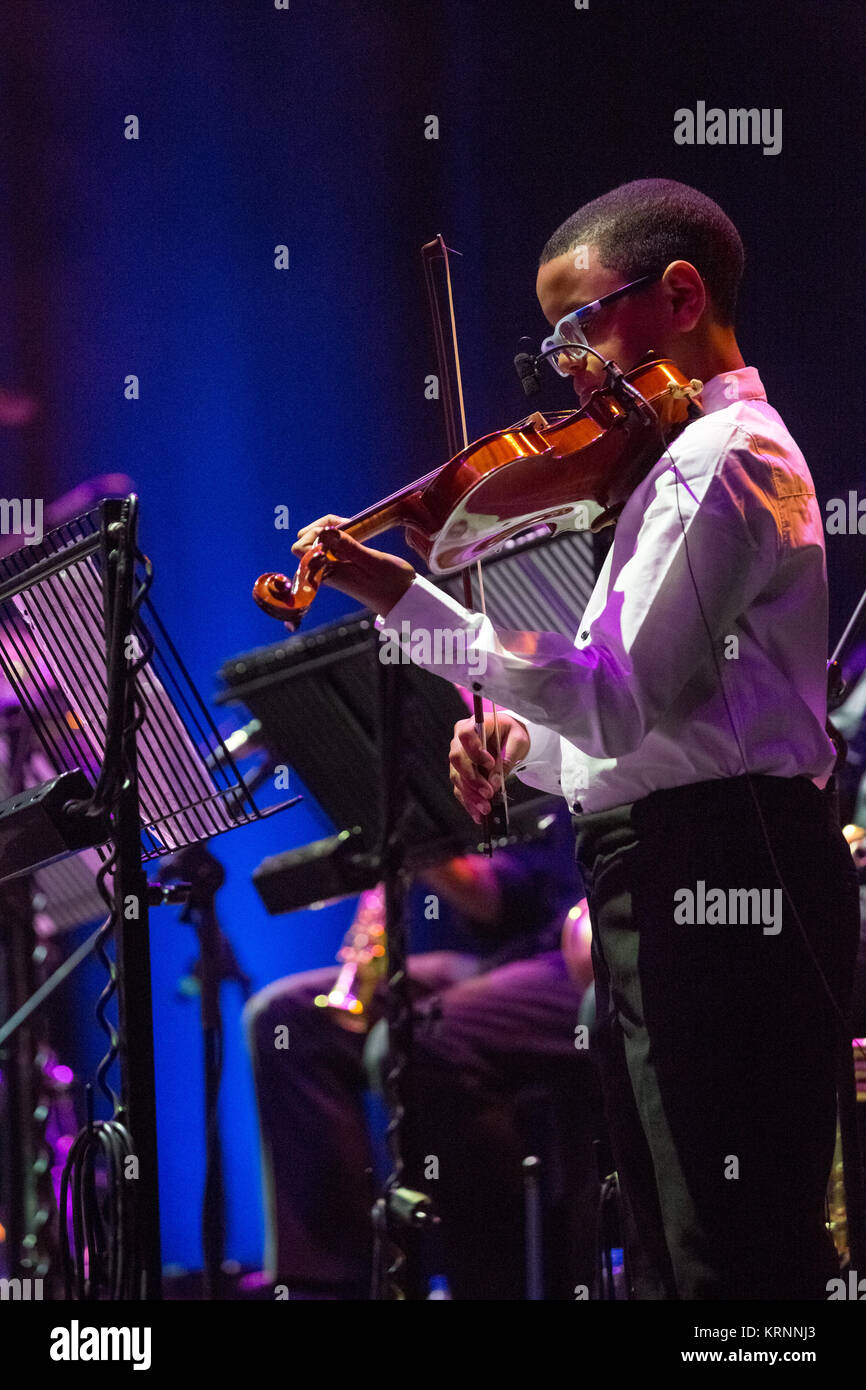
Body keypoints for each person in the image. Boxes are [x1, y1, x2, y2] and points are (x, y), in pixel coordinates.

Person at [292, 178, 861, 1300]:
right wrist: (522, 759)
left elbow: (609, 701)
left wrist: (406, 604)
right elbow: (623, 737)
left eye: (578, 323)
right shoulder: (666, 466)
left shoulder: (719, 459)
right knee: (669, 1249)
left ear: (679, 296)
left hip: (719, 872)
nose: (562, 364)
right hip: (665, 861)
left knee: (726, 1259)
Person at [243, 807, 603, 1300]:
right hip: (500, 958)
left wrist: (418, 839)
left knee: (423, 1039)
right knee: (286, 1019)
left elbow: (512, 898)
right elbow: (501, 900)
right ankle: (335, 1284)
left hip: (577, 956)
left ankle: (499, 1284)